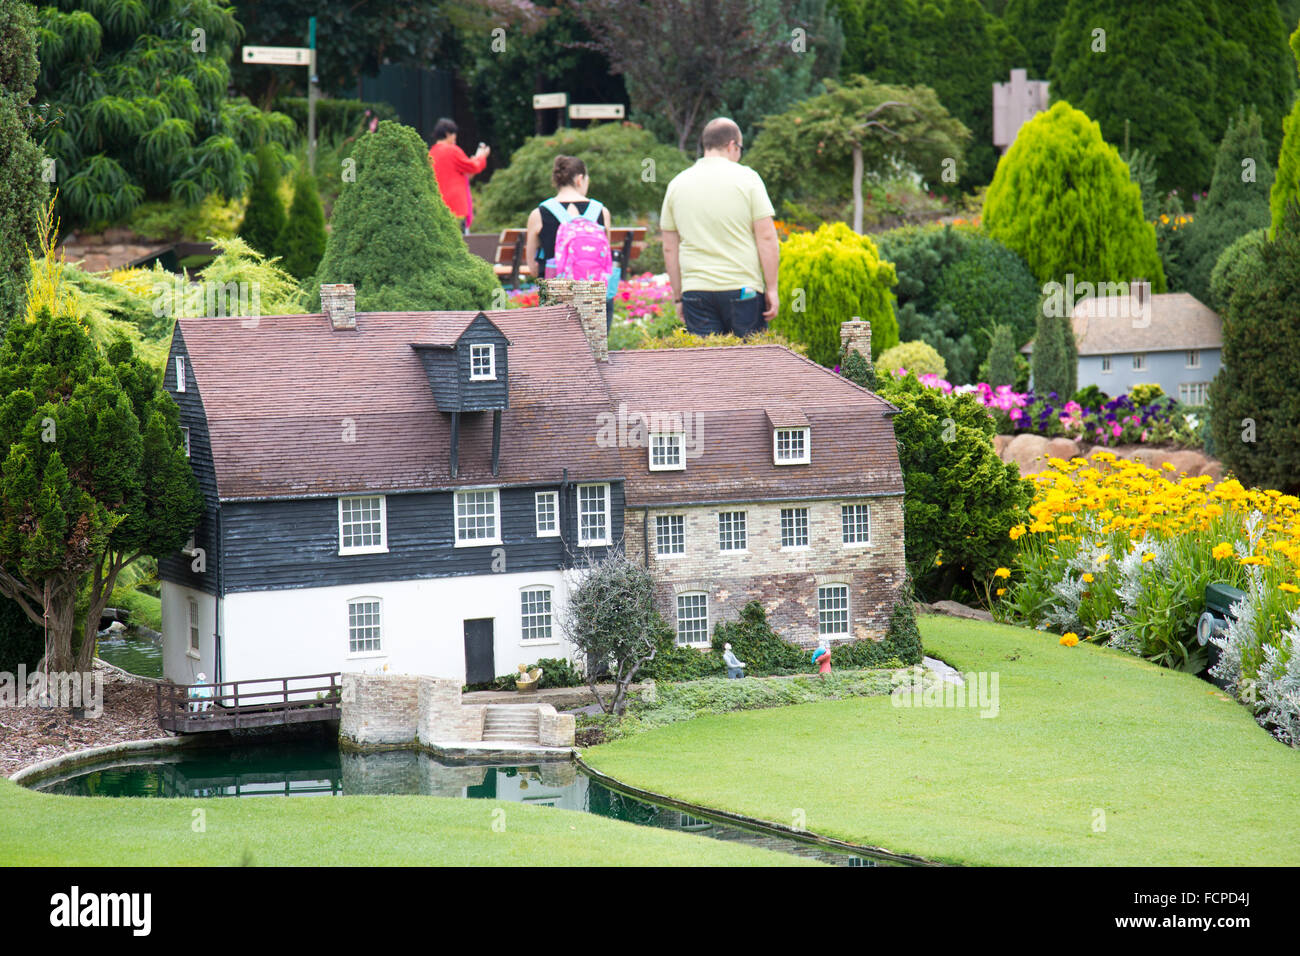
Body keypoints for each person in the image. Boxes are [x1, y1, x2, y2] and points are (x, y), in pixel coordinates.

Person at [660, 117, 780, 338]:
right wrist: (771, 288)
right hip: (743, 288)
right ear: (732, 145)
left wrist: (678, 298)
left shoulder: (677, 184)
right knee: (749, 365)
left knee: (709, 367)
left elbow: (669, 247)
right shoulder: (749, 179)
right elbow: (766, 238)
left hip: (696, 292)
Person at [525, 155, 617, 331]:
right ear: (580, 179)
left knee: (560, 349)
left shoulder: (539, 214)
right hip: (595, 292)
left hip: (556, 294)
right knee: (596, 350)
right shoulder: (601, 212)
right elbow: (606, 259)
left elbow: (533, 268)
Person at [428, 118, 489, 234]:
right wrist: (482, 156)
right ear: (447, 134)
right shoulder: (452, 151)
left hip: (438, 208)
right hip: (456, 207)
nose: (455, 137)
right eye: (454, 134)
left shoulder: (430, 154)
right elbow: (474, 167)